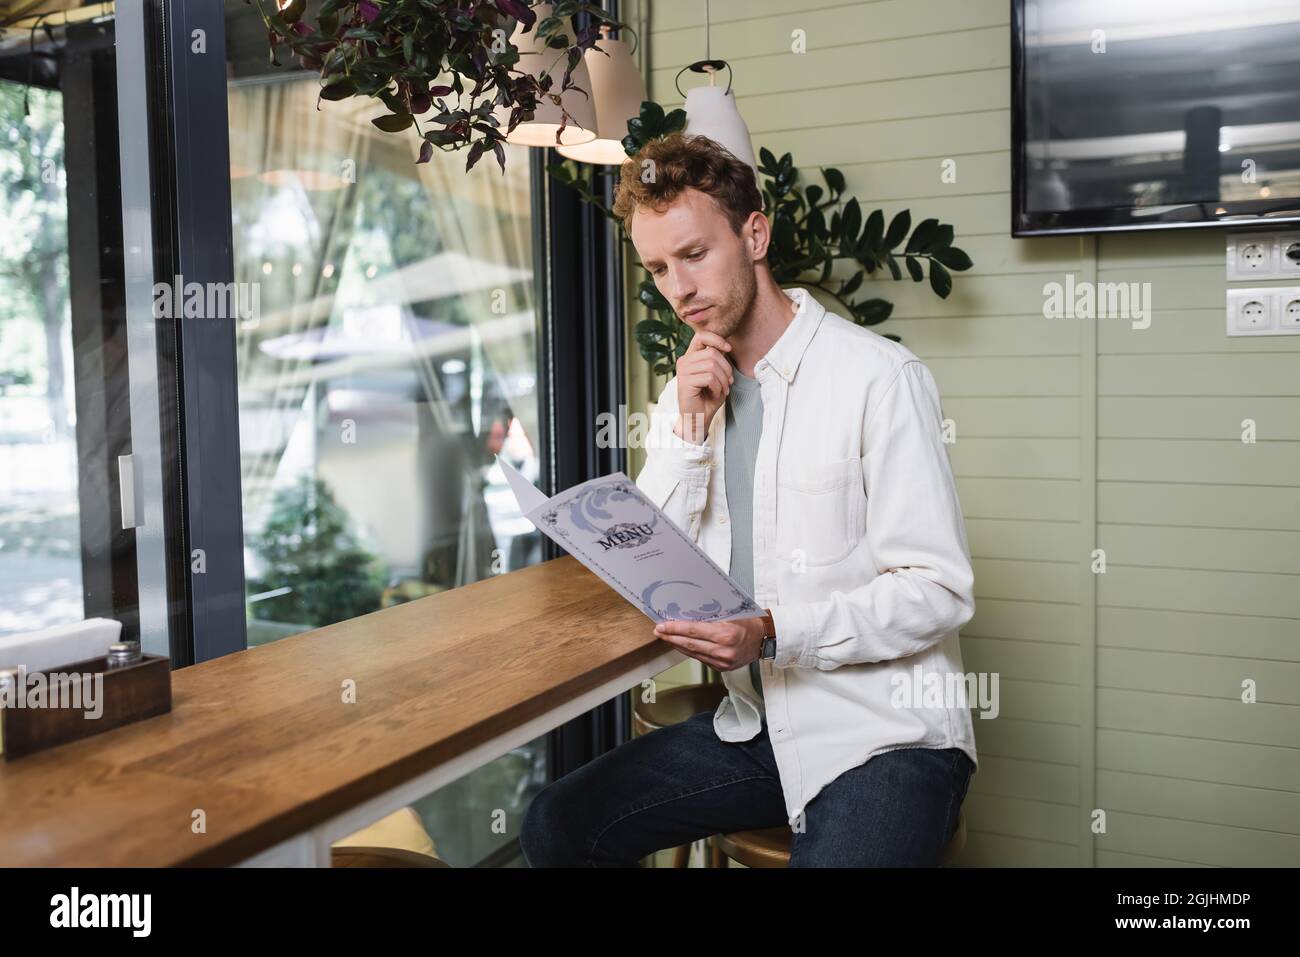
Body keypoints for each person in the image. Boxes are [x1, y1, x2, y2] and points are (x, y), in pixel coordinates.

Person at [520, 132, 977, 867]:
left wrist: (770, 631)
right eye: (659, 268)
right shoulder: (687, 391)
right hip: (758, 727)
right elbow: (648, 560)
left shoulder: (879, 379)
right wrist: (690, 431)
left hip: (886, 736)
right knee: (557, 821)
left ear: (754, 233)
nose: (679, 289)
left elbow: (939, 591)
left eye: (694, 255)